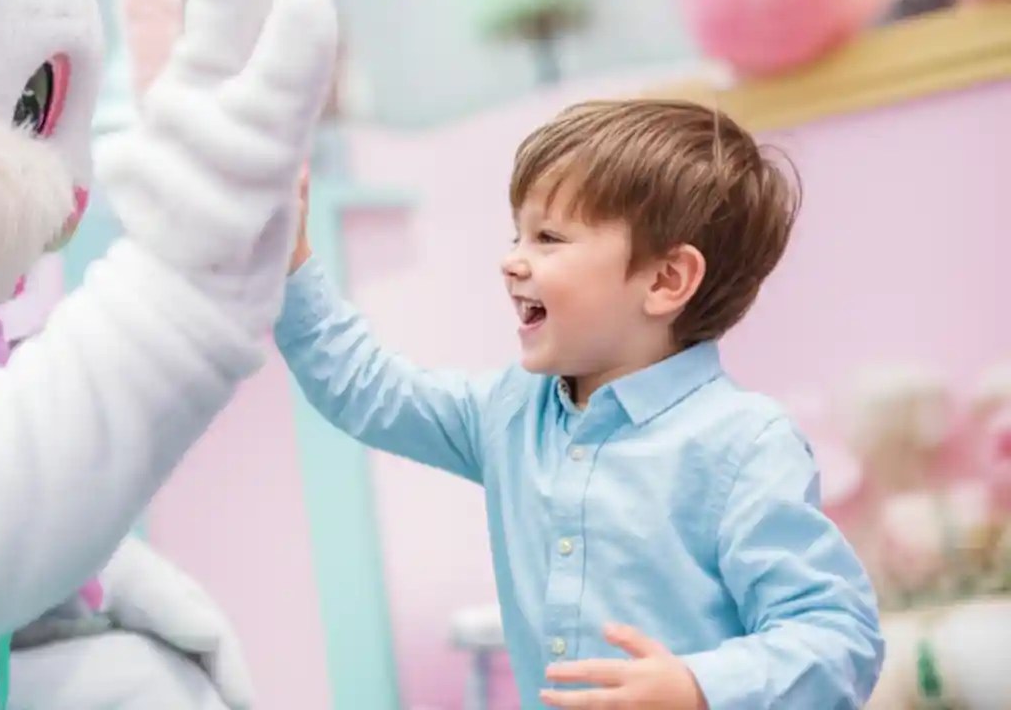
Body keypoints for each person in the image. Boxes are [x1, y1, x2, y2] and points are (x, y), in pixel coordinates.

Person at [276, 99, 883, 709]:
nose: (511, 260)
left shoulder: (744, 443)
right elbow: (366, 389)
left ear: (666, 280)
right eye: (518, 234)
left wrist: (698, 687)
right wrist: (291, 266)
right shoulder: (509, 414)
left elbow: (838, 638)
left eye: (548, 238)